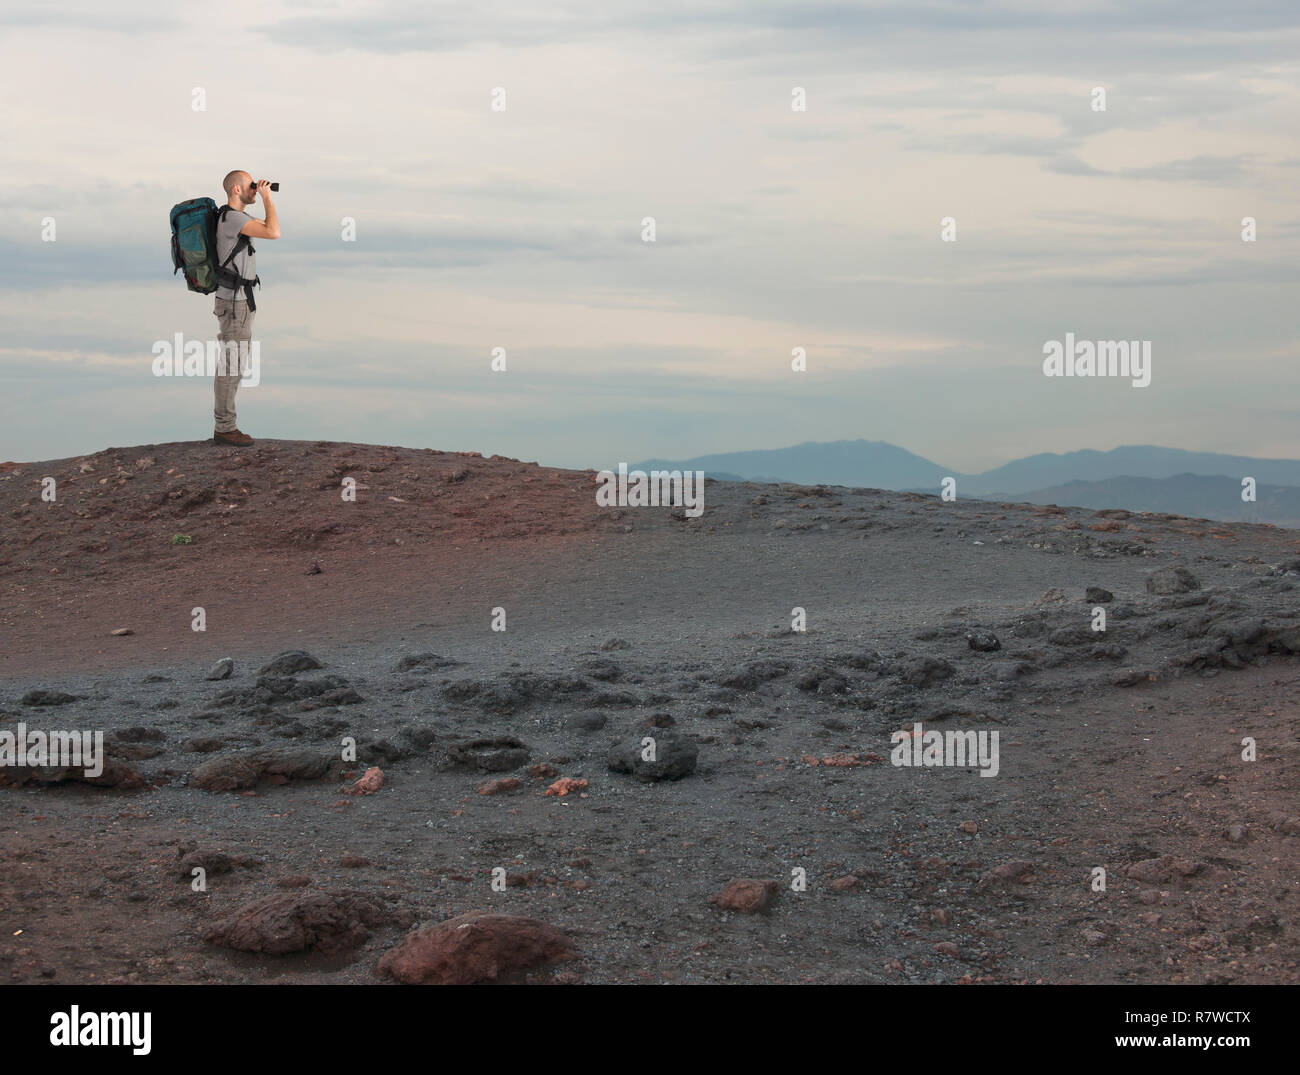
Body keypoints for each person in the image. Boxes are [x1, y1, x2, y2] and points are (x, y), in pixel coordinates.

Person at [212, 170, 280, 446]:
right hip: (234, 302)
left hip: (239, 301)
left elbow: (267, 226)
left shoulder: (235, 218)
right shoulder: (232, 218)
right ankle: (225, 427)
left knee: (235, 363)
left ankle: (225, 425)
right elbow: (273, 231)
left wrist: (263, 198)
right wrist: (267, 198)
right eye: (250, 185)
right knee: (231, 364)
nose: (255, 188)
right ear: (237, 190)